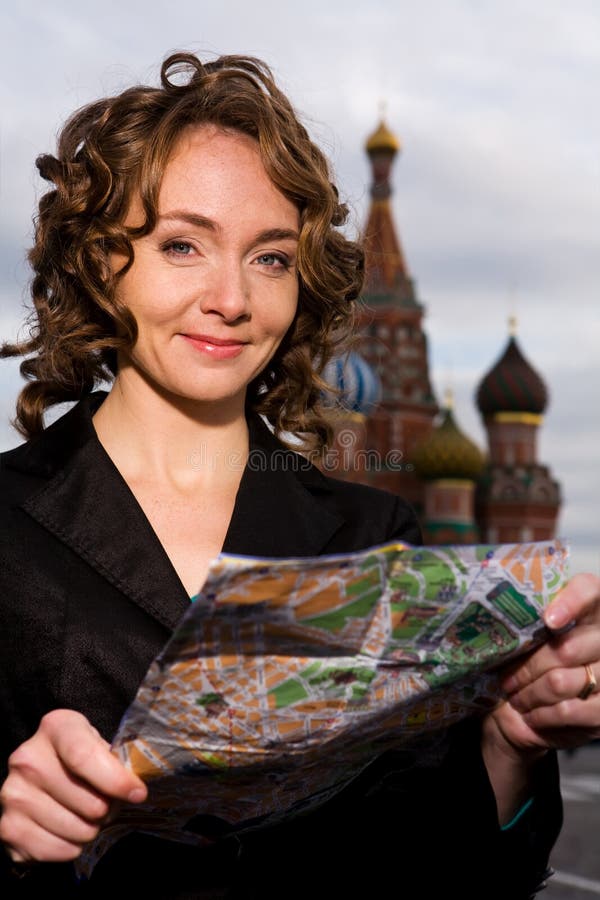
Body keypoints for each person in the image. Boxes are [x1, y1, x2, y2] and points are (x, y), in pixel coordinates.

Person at [0, 50, 598, 900]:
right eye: (182, 244)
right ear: (100, 262)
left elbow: (445, 877)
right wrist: (15, 832)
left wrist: (509, 745)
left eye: (271, 258)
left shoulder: (372, 540)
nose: (232, 298)